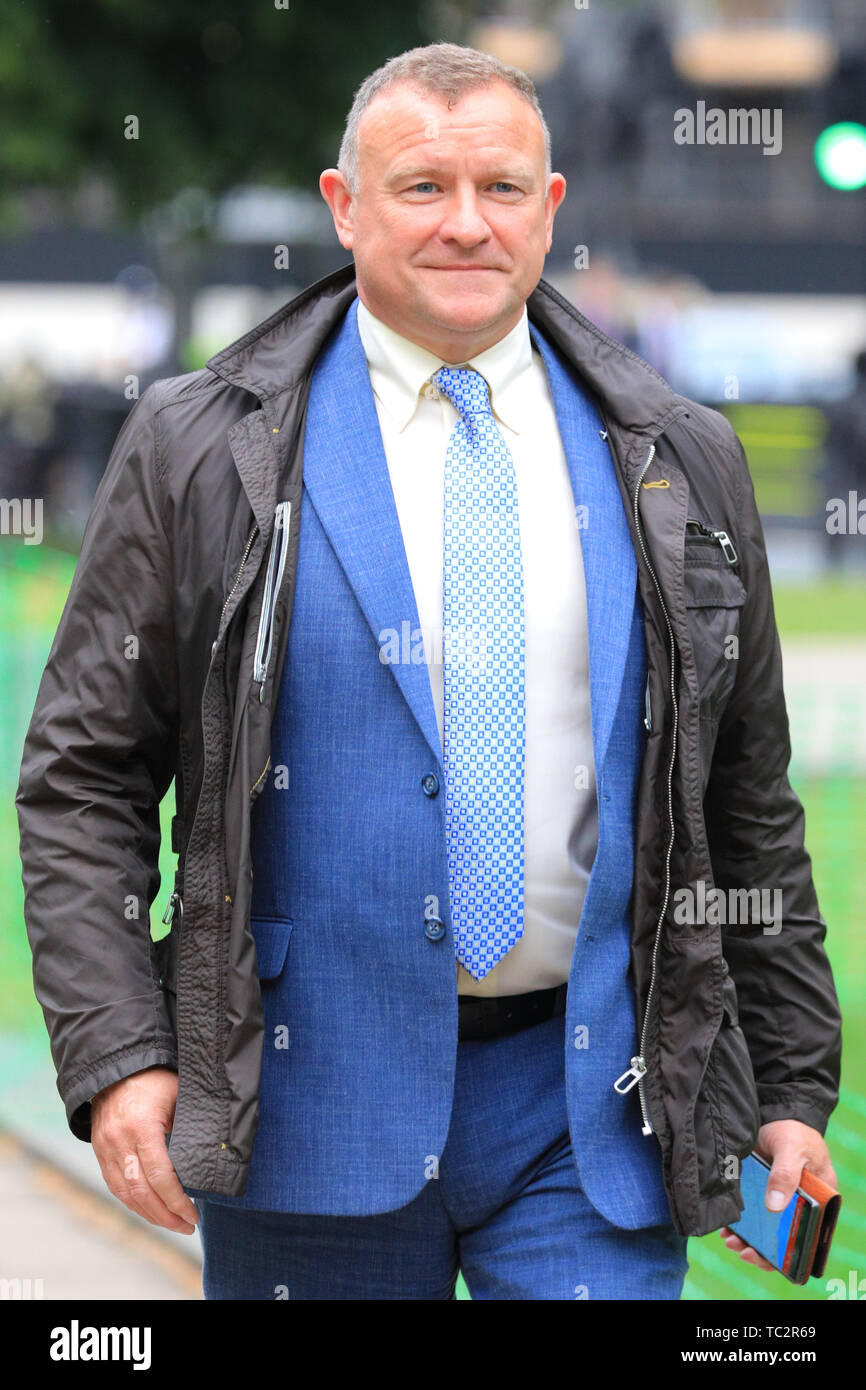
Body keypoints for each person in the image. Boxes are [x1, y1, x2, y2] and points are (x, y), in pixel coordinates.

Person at [16, 41, 841, 1301]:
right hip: (303, 1108)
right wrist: (120, 1053)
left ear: (548, 209)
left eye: (501, 190)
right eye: (421, 188)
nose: (467, 224)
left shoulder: (677, 455)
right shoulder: (199, 446)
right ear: (342, 207)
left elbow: (745, 801)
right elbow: (83, 779)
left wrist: (785, 1086)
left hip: (593, 1112)